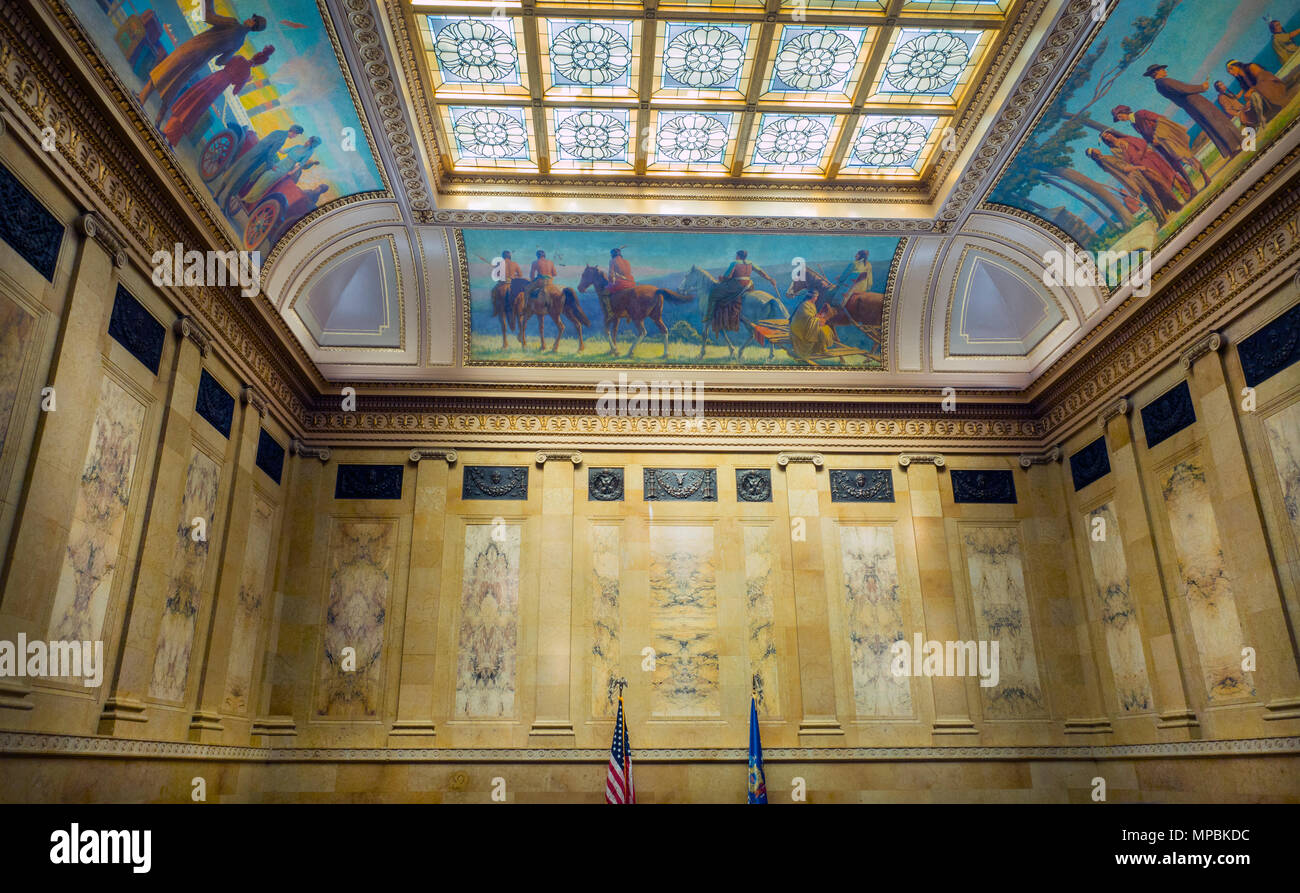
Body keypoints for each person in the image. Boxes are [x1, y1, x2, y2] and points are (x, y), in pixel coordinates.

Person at [137, 0, 267, 127]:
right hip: (200, 61)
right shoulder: (240, 42)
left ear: (252, 24)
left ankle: (142, 98)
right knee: (176, 84)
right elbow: (220, 61)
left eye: (252, 19)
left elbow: (208, 16)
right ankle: (159, 119)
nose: (249, 19)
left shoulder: (232, 23)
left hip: (191, 49)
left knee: (165, 70)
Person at [161, 45, 275, 147]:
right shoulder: (247, 74)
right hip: (219, 87)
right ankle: (170, 137)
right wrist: (246, 80)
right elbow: (235, 91)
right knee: (194, 111)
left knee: (190, 102)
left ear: (255, 55)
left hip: (213, 78)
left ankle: (168, 132)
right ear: (260, 63)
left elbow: (222, 61)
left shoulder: (239, 58)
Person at [1143, 65, 1242, 161]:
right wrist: (1202, 87)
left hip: (1190, 106)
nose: (1164, 70)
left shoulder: (1159, 86)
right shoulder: (1165, 81)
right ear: (1156, 72)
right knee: (1216, 122)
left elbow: (1179, 94)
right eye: (1161, 69)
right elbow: (1183, 88)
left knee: (1210, 126)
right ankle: (1234, 147)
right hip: (1196, 103)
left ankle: (1231, 151)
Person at [1112, 104, 1207, 190]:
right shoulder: (1133, 124)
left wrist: (1158, 137)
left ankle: (1206, 177)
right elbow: (1146, 135)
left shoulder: (1141, 113)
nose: (1121, 119)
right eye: (1119, 118)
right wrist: (1150, 144)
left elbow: (1161, 119)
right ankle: (1192, 188)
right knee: (1176, 165)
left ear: (1124, 112)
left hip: (1165, 140)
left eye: (1120, 116)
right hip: (1158, 146)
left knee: (1185, 156)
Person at [214, 124, 304, 207]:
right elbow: (271, 153)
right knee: (239, 179)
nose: (295, 136)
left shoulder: (278, 132)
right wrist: (271, 166)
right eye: (296, 135)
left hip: (252, 154)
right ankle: (225, 204)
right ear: (293, 132)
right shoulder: (282, 139)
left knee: (233, 172)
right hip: (256, 160)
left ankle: (216, 195)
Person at [1086, 147, 1176, 226]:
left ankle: (1161, 220)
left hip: (1130, 179)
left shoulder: (1102, 163)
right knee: (1152, 195)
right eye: (1095, 149)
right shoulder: (1105, 159)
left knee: (1148, 198)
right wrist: (1138, 167)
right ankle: (1164, 216)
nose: (1097, 149)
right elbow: (1124, 168)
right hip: (1133, 176)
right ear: (1095, 153)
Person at [1100, 130, 1189, 202]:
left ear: (1111, 133)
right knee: (1160, 179)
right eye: (1105, 137)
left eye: (1107, 134)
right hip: (1141, 164)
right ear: (1106, 140)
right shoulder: (1113, 149)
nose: (1108, 136)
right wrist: (1124, 150)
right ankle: (1177, 199)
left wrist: (1143, 151)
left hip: (1150, 156)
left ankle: (1184, 194)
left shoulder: (1125, 138)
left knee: (1168, 173)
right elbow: (1126, 161)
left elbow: (1142, 142)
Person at [706, 250, 780, 335]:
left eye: (736, 255)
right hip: (748, 285)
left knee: (713, 293)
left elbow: (728, 276)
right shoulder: (750, 263)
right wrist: (770, 279)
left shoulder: (734, 263)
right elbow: (761, 272)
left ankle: (709, 315)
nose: (736, 257)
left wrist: (721, 278)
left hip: (737, 285)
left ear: (738, 256)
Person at [242, 136, 321, 210]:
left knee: (267, 179)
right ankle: (248, 197)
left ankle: (249, 199)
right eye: (308, 140)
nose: (307, 142)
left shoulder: (308, 153)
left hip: (285, 169)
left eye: (309, 142)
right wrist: (276, 145)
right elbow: (283, 151)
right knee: (264, 176)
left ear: (312, 145)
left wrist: (291, 172)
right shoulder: (298, 146)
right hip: (280, 164)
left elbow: (300, 165)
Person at [1226, 59, 1292, 125]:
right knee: (1246, 110)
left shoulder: (1251, 67)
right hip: (1260, 93)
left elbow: (1264, 79)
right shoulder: (1242, 79)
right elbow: (1250, 92)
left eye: (1231, 69)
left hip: (1272, 86)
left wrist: (1251, 90)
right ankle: (1260, 119)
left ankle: (1264, 116)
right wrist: (1249, 99)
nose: (1230, 72)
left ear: (1237, 65)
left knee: (1255, 95)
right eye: (1229, 71)